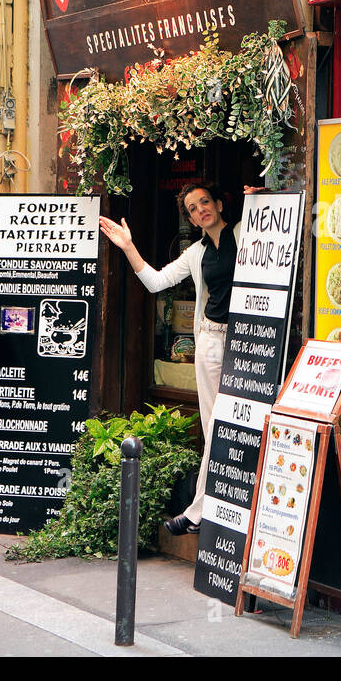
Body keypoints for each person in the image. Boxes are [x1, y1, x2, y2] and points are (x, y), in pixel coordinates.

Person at [99, 183, 251, 536]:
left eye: (205, 202)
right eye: (193, 208)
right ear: (191, 219)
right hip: (213, 342)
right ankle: (201, 512)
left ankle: (207, 511)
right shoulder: (196, 253)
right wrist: (128, 246)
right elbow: (155, 281)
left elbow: (276, 229)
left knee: (244, 425)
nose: (201, 210)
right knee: (216, 428)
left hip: (250, 342)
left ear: (218, 202)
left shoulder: (245, 233)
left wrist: (263, 197)